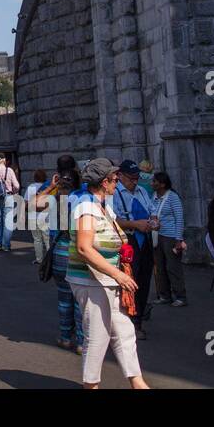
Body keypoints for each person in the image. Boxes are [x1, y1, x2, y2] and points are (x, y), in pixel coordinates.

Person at [67, 157, 149, 389]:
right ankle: (91, 385)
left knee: (124, 331)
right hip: (91, 279)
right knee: (97, 335)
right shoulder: (87, 207)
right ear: (104, 182)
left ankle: (138, 382)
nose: (117, 183)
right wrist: (118, 274)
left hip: (106, 279)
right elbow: (84, 248)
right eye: (114, 179)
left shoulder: (102, 205)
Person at [38, 156, 85, 352]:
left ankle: (66, 337)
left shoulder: (54, 198)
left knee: (64, 297)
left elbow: (35, 204)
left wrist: (51, 187)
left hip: (59, 251)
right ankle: (82, 342)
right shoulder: (83, 196)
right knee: (80, 300)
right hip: (79, 252)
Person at [112, 160, 157, 340]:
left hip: (144, 239)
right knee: (129, 280)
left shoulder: (142, 191)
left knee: (144, 279)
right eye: (131, 178)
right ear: (120, 176)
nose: (135, 182)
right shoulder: (115, 193)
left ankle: (138, 319)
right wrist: (134, 224)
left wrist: (153, 221)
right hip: (127, 239)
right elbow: (113, 220)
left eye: (137, 178)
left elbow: (152, 210)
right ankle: (128, 320)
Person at [150, 172, 186, 307]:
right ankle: (164, 295)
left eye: (155, 181)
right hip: (157, 235)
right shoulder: (153, 196)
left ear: (162, 184)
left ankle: (181, 296)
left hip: (171, 236)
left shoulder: (173, 197)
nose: (152, 183)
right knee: (160, 267)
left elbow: (179, 218)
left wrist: (178, 239)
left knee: (173, 267)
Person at [25, 169, 48, 264]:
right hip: (46, 216)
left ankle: (39, 259)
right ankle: (50, 259)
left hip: (33, 216)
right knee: (47, 239)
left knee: (37, 239)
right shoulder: (48, 187)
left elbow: (26, 203)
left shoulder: (30, 187)